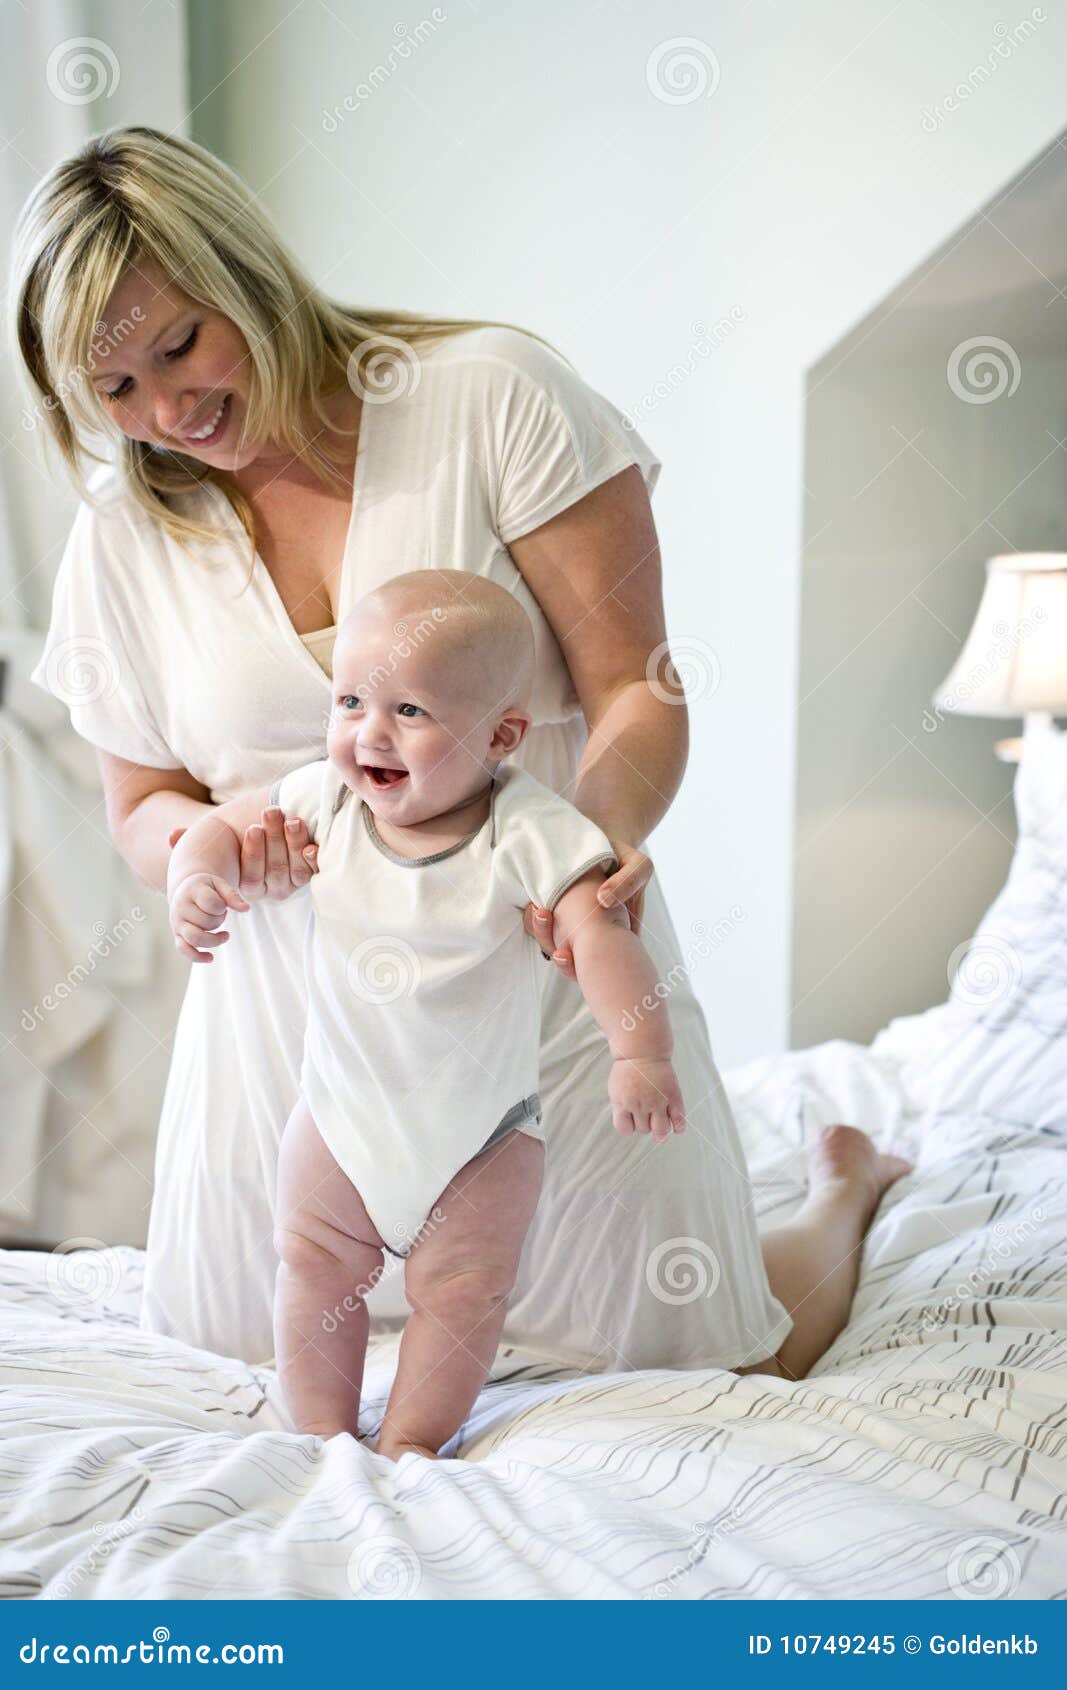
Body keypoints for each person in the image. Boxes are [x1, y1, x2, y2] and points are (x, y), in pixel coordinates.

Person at [15, 124, 909, 1392]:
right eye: (114, 390)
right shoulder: (121, 538)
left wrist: (585, 859)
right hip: (288, 1038)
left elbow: (633, 688)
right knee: (252, 1357)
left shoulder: (490, 396)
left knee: (712, 1352)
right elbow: (142, 804)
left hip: (534, 983)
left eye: (182, 344)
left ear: (248, 276)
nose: (167, 412)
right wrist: (205, 850)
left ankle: (839, 1191)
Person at [168, 571, 689, 1459]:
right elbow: (221, 826)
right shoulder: (326, 800)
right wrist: (196, 876)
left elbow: (599, 936)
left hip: (481, 1140)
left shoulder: (527, 828)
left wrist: (640, 1053)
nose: (369, 733)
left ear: (502, 736)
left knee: (464, 1293)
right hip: (337, 1117)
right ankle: (323, 1431)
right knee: (313, 1266)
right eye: (350, 701)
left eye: (409, 711)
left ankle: (410, 1441)